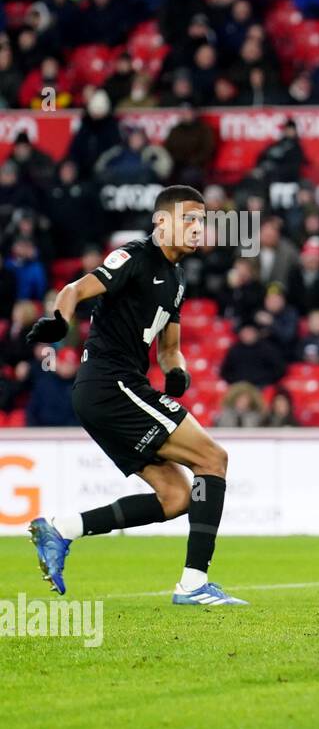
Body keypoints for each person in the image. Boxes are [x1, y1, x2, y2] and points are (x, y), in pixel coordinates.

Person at [25, 186, 245, 605]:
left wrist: (176, 371)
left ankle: (62, 528)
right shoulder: (135, 257)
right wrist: (58, 322)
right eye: (188, 220)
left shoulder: (177, 280)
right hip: (111, 384)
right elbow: (74, 289)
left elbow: (168, 347)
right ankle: (194, 585)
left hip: (112, 392)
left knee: (177, 497)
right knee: (213, 459)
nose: (197, 229)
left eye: (202, 221)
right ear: (161, 222)